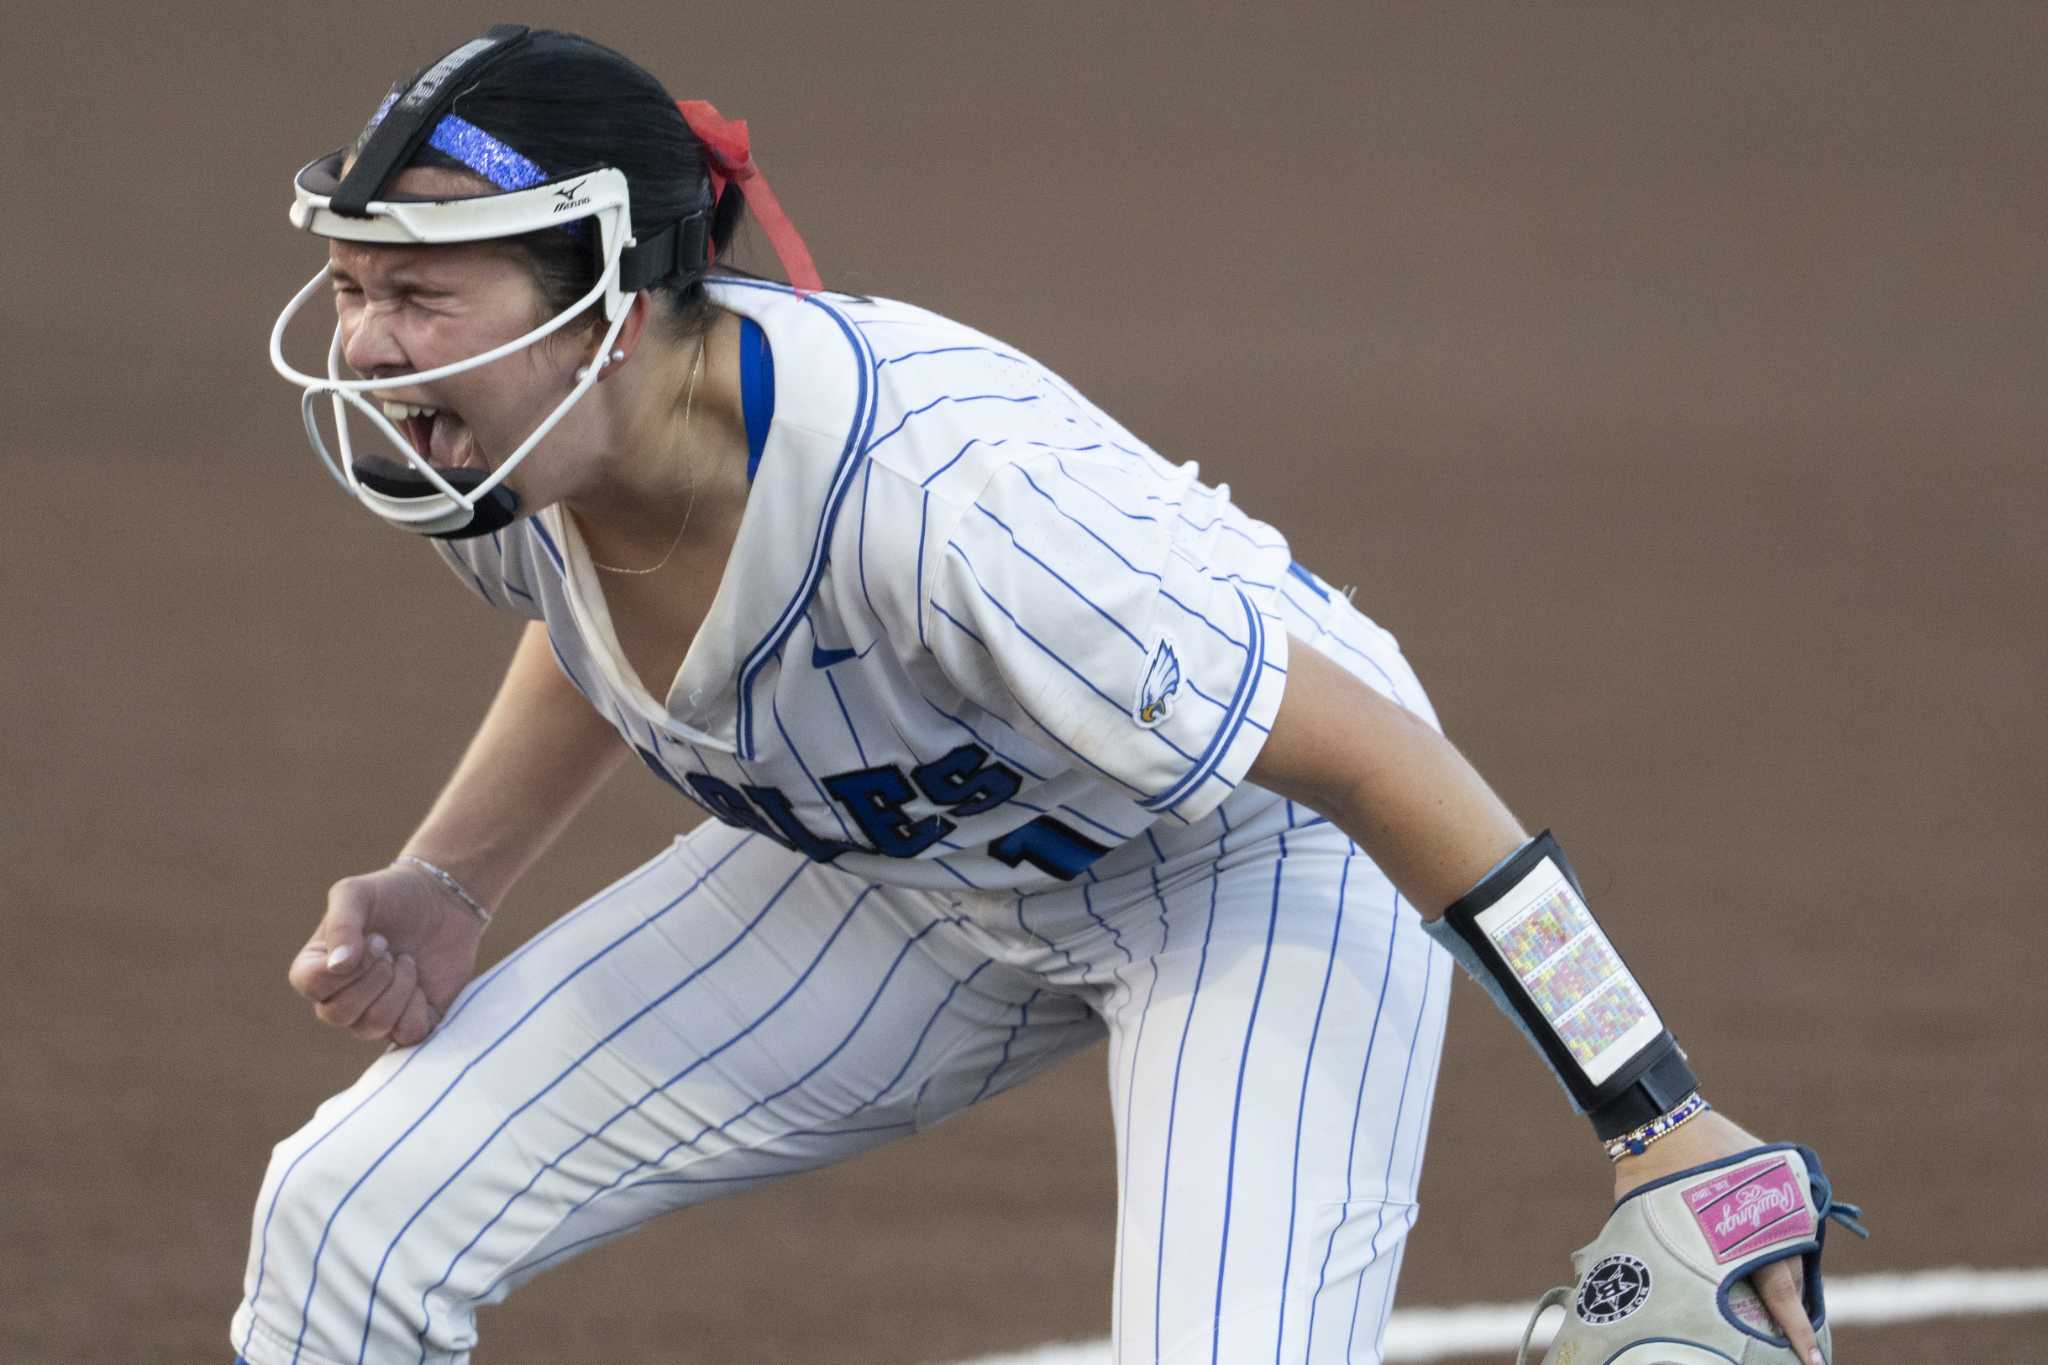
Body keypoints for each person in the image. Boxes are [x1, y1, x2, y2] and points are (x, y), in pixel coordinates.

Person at [240, 27, 1832, 1365]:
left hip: (1246, 870)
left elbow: (1374, 757)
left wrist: (1658, 1110)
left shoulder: (951, 506)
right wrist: (453, 879)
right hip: (912, 873)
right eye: (353, 286)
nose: (366, 346)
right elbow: (613, 611)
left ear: (609, 302)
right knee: (351, 1213)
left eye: (419, 293)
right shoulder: (506, 452)